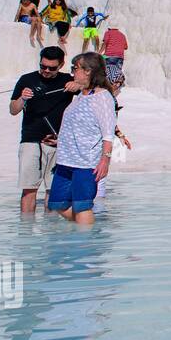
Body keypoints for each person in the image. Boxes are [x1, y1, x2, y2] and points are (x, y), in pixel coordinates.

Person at [46, 52, 116, 226]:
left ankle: (86, 243)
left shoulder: (102, 97)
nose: (72, 73)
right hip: (65, 160)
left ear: (88, 71)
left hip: (86, 163)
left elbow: (108, 133)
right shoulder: (81, 96)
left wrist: (105, 160)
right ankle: (87, 230)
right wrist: (60, 140)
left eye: (75, 68)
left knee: (82, 206)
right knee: (57, 204)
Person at [9, 46, 78, 214]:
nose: (46, 70)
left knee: (53, 191)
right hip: (31, 140)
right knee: (29, 189)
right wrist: (22, 98)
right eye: (43, 66)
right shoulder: (26, 79)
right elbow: (13, 110)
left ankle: (50, 233)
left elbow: (96, 88)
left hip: (57, 141)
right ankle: (25, 234)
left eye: (51, 68)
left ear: (61, 65)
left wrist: (78, 85)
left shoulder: (67, 80)